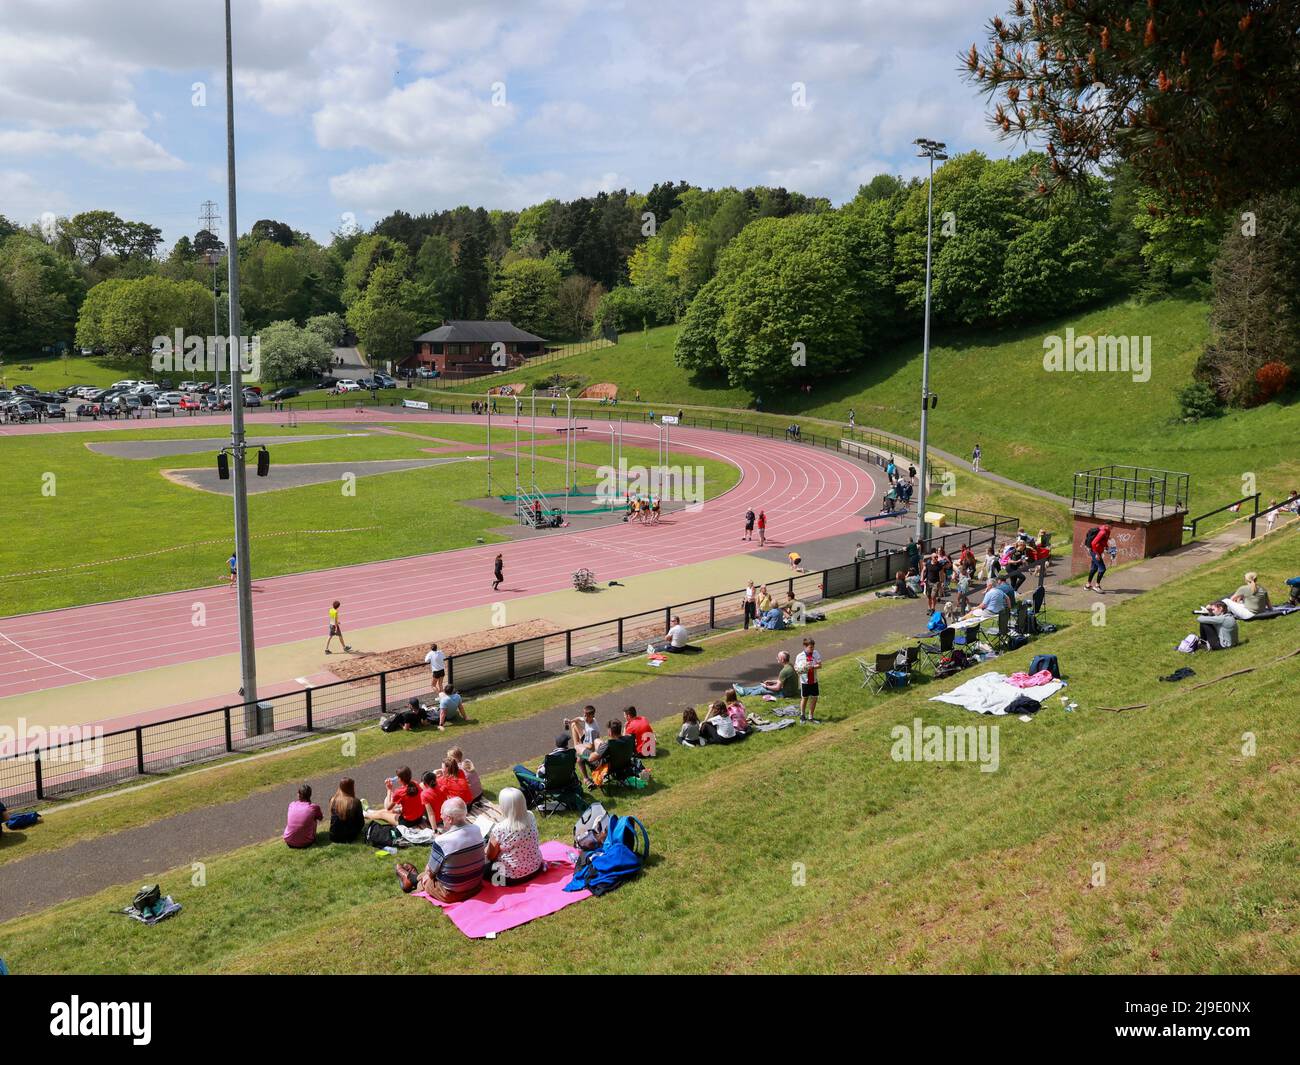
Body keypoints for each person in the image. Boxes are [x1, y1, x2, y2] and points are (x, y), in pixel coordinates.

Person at [416, 797, 485, 903]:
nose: (440, 816)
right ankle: (411, 876)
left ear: (449, 819)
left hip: (452, 894)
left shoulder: (442, 841)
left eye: (441, 813)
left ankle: (411, 879)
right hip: (476, 886)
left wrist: (427, 876)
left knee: (424, 878)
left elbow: (431, 873)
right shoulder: (476, 830)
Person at [484, 787, 545, 885]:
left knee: (483, 868)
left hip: (510, 878)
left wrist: (487, 847)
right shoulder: (531, 816)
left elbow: (490, 856)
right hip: (536, 868)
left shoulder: (500, 828)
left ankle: (497, 887)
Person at [366, 767, 430, 829]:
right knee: (393, 811)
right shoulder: (415, 783)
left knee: (382, 814)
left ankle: (365, 815)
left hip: (408, 822)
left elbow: (388, 807)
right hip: (419, 818)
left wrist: (389, 790)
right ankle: (371, 812)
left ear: (400, 779)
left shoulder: (399, 792)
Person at [283, 784, 323, 848]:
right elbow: (320, 818)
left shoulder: (292, 804)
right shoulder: (314, 807)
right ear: (310, 795)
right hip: (306, 842)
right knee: (314, 819)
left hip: (289, 841)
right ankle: (308, 836)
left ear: (299, 794)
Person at [795, 637, 822, 724]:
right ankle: (802, 716)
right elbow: (796, 668)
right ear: (805, 646)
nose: (812, 649)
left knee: (814, 698)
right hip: (805, 681)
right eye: (810, 647)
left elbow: (820, 665)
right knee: (805, 698)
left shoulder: (816, 653)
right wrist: (802, 669)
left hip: (814, 680)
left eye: (813, 647)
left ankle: (811, 717)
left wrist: (812, 666)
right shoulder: (800, 656)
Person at [329, 778, 364, 843]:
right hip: (350, 837)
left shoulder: (332, 800)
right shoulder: (355, 802)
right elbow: (361, 822)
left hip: (334, 836)